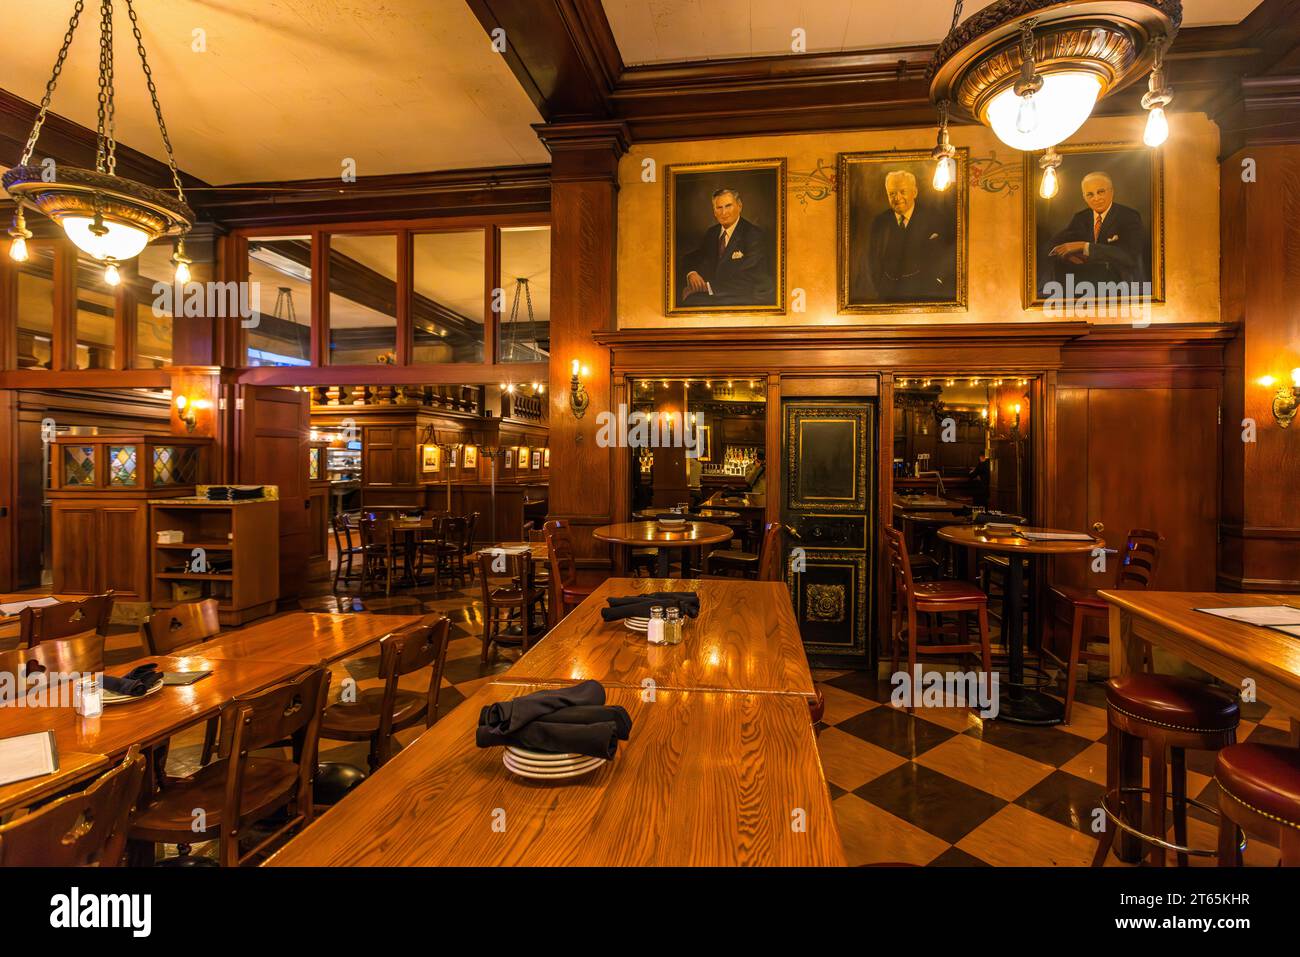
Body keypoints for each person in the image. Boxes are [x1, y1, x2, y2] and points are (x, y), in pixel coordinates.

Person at [864, 170, 955, 302]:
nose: (897, 198)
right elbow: (873, 260)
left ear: (915, 192)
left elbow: (949, 253)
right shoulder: (879, 222)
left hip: (926, 295)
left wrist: (938, 282)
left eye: (903, 191)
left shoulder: (934, 218)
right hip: (888, 297)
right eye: (892, 193)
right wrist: (880, 288)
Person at [1046, 171, 1146, 287]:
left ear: (1112, 192)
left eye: (1101, 192)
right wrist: (1068, 255)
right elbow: (1056, 244)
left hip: (1121, 285)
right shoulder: (1080, 218)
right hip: (1085, 283)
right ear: (1084, 197)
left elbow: (1130, 256)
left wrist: (1084, 246)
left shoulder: (1129, 216)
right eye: (1090, 194)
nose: (1096, 198)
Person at [679, 187, 774, 307]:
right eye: (719, 208)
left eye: (728, 206)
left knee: (691, 301)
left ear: (739, 206)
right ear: (714, 211)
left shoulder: (754, 235)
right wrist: (691, 273)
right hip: (716, 296)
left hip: (745, 299)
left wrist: (705, 287)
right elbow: (692, 257)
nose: (724, 213)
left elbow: (748, 279)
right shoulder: (712, 233)